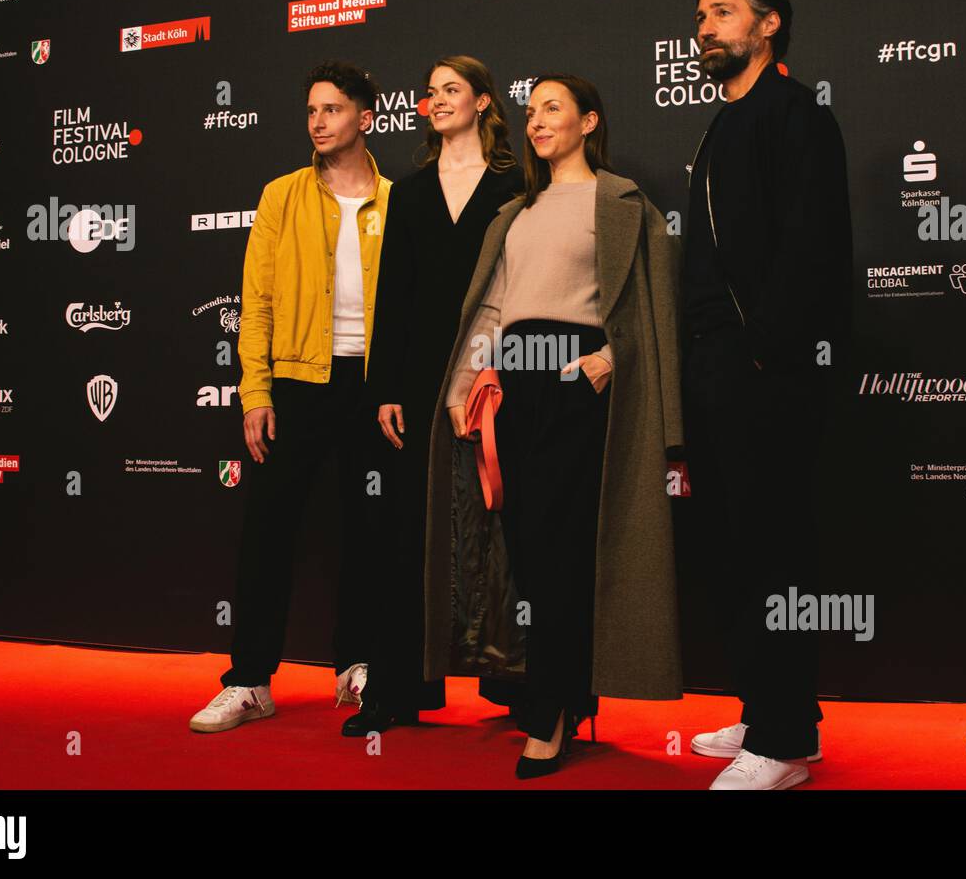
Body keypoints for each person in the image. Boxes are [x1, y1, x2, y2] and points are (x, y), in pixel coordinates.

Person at [425, 73, 685, 778]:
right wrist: (460, 383)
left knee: (568, 551)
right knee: (529, 551)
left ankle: (550, 711)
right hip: (514, 388)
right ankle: (562, 696)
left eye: (552, 109)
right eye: (531, 110)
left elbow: (651, 311)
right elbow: (489, 309)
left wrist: (607, 358)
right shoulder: (516, 213)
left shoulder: (623, 203)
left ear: (589, 121)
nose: (536, 121)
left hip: (576, 387)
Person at [681, 0, 853, 789]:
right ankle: (772, 712)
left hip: (770, 371)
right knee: (737, 547)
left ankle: (781, 744)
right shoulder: (723, 123)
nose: (705, 27)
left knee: (776, 548)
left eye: (722, 13)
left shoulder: (798, 113)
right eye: (701, 16)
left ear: (769, 24)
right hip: (718, 367)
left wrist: (761, 351)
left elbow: (812, 249)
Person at [188, 60, 392, 733]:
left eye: (331, 109)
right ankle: (249, 680)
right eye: (310, 110)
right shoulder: (281, 195)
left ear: (366, 118)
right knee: (267, 534)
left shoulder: (399, 200)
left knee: (368, 533)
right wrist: (255, 394)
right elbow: (258, 303)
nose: (317, 121)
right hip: (298, 386)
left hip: (371, 386)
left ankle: (358, 669)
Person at [344, 56, 525, 736]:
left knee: (504, 523)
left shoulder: (515, 182)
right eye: (429, 93)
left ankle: (519, 687)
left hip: (498, 371)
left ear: (483, 101)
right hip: (419, 377)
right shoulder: (412, 191)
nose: (437, 100)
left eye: (452, 90)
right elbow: (392, 296)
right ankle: (398, 691)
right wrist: (386, 386)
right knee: (407, 531)